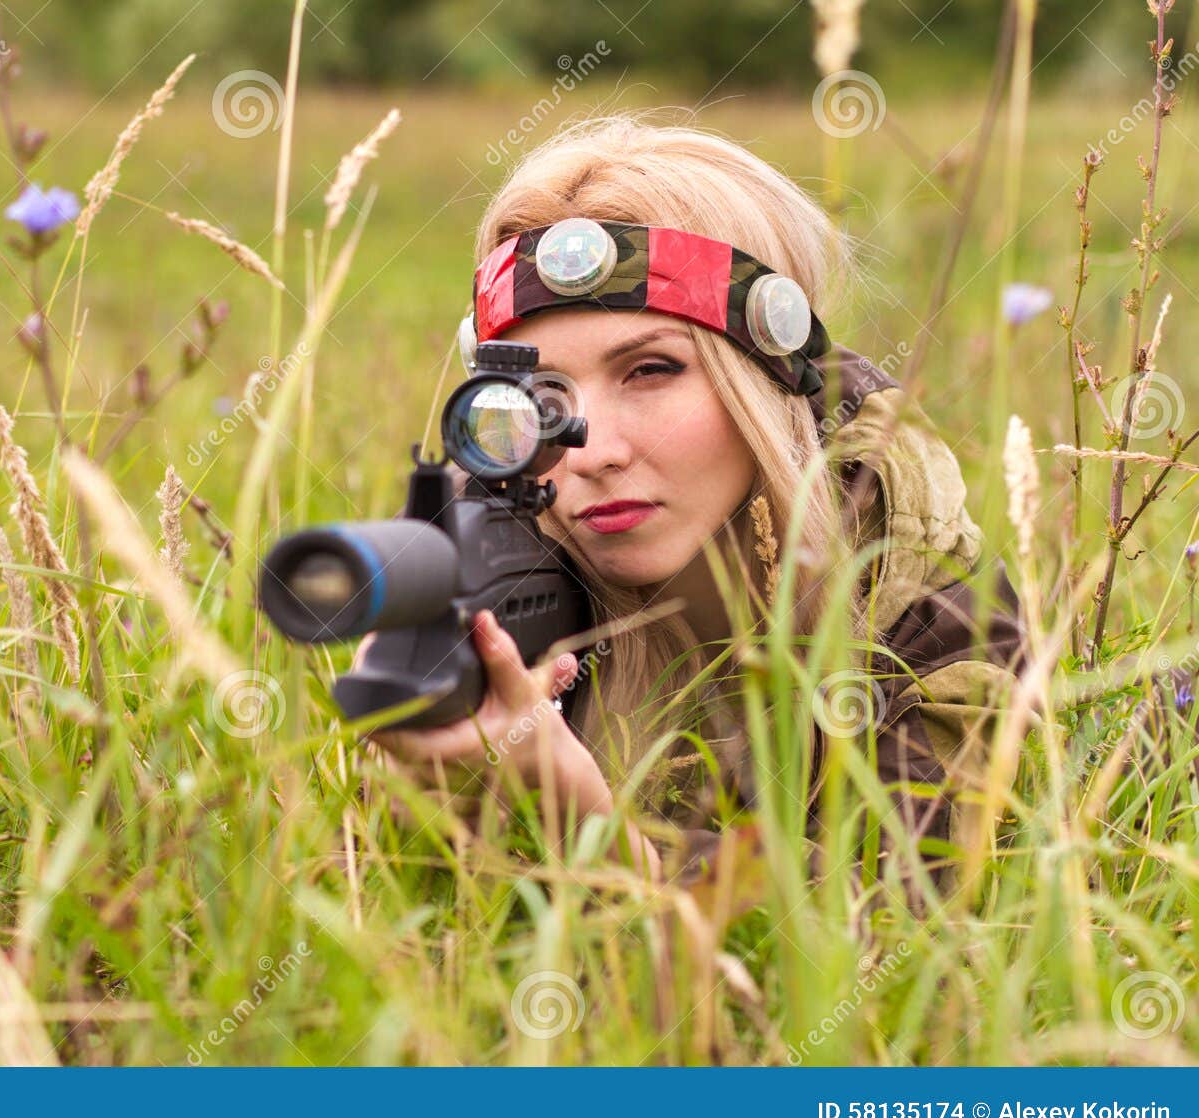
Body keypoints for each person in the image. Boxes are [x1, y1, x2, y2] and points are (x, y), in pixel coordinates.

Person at [366, 112, 1027, 893]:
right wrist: (427, 780)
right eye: (544, 396)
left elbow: (915, 920)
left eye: (648, 370)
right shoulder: (498, 556)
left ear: (762, 379)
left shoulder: (917, 586)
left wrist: (591, 830)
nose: (594, 447)